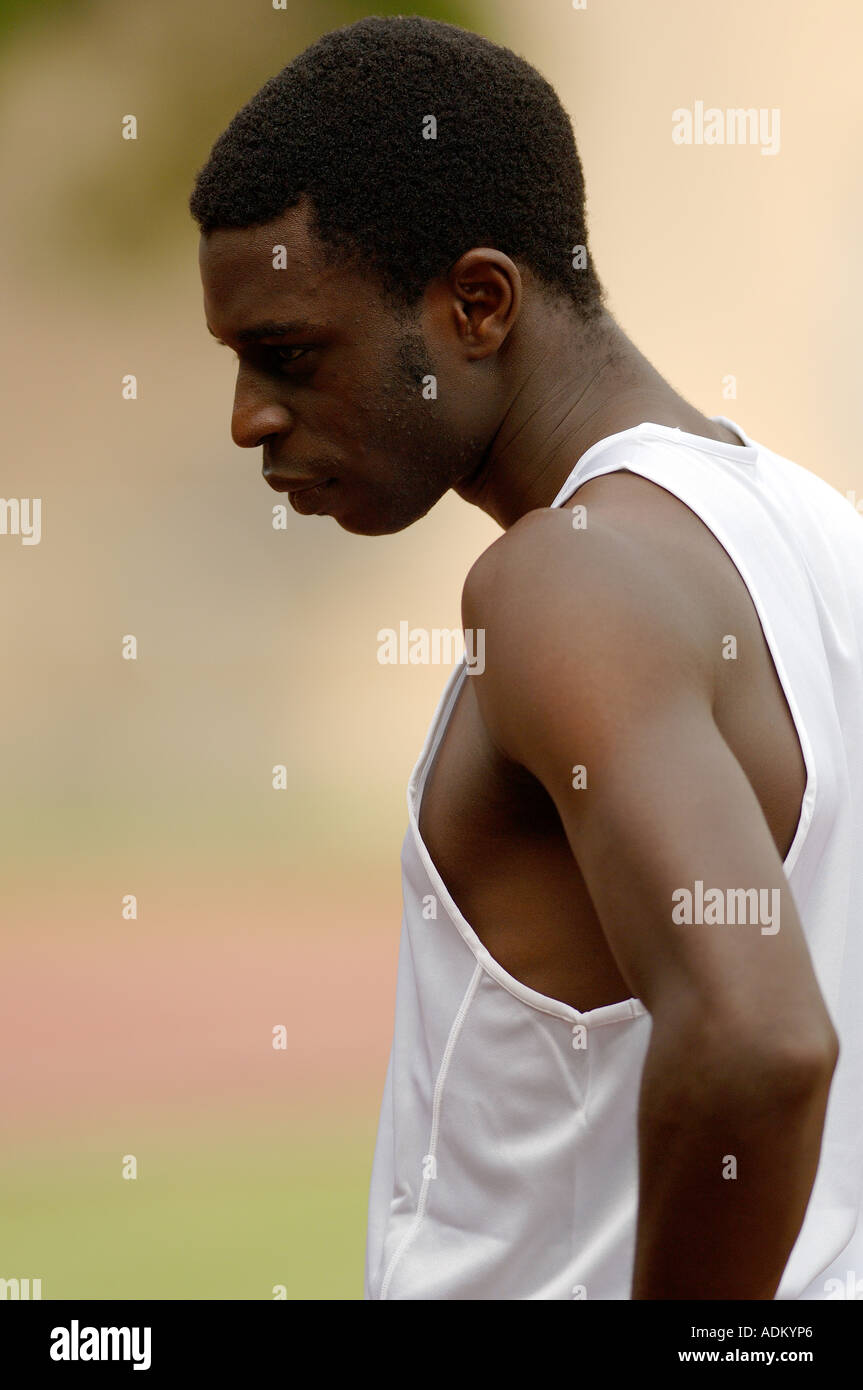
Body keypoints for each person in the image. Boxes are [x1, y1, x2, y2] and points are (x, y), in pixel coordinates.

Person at [189, 16, 863, 1299]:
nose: (248, 420)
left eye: (287, 355)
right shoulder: (816, 535)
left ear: (476, 303)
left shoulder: (561, 579)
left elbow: (759, 1039)